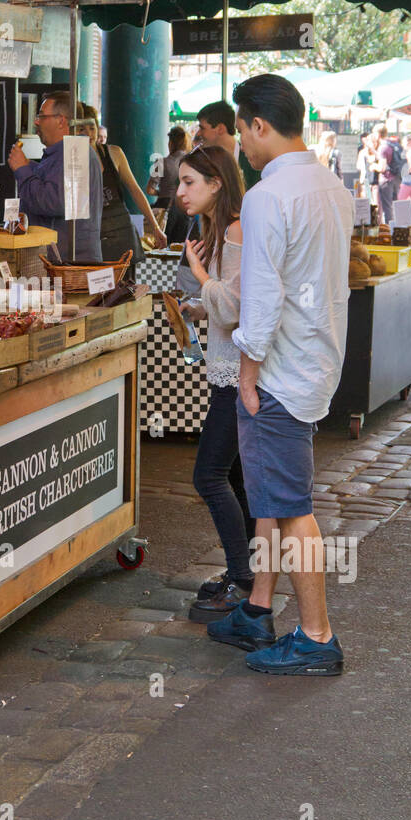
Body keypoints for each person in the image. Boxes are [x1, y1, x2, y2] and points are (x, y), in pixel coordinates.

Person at [209, 73, 354, 676]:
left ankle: (317, 637)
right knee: (272, 498)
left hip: (281, 371)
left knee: (291, 506)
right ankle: (259, 608)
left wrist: (246, 369)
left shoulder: (269, 196)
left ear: (259, 125)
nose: (241, 142)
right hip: (317, 361)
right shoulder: (332, 187)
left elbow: (262, 299)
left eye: (241, 130)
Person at [174, 144, 255, 616]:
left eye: (189, 182)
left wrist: (201, 274)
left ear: (216, 183)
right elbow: (224, 305)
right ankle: (246, 571)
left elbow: (240, 306)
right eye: (181, 182)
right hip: (232, 371)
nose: (181, 192)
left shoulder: (237, 229)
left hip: (241, 374)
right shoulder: (222, 230)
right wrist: (199, 305)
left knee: (209, 475)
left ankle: (242, 577)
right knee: (236, 477)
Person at [8, 91, 103, 261]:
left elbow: (53, 203)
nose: (36, 121)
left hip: (68, 264)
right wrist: (29, 166)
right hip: (58, 259)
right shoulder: (64, 154)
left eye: (42, 116)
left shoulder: (76, 153)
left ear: (61, 121)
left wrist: (23, 170)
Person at [79, 105, 165, 273]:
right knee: (102, 292)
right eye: (82, 128)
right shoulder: (71, 161)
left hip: (123, 231)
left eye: (92, 127)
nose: (88, 133)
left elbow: (135, 190)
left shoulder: (114, 153)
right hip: (94, 236)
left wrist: (155, 227)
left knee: (130, 288)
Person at [197, 98, 260, 192]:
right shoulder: (200, 160)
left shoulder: (253, 161)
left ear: (220, 129)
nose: (198, 133)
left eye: (202, 128)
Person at [146, 126, 188, 210]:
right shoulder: (192, 162)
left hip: (165, 206)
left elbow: (150, 190)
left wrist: (162, 193)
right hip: (185, 207)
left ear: (171, 143)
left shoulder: (161, 162)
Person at [372, 122, 403, 223]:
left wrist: (373, 166)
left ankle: (390, 231)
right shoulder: (394, 144)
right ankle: (398, 228)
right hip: (396, 178)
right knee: (395, 205)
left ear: (378, 134)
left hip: (386, 180)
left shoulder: (383, 147)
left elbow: (382, 168)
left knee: (387, 207)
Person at [398, 134, 411, 203]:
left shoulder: (410, 152)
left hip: (408, 181)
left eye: (403, 142)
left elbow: (410, 168)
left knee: (400, 202)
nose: (402, 144)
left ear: (409, 142)